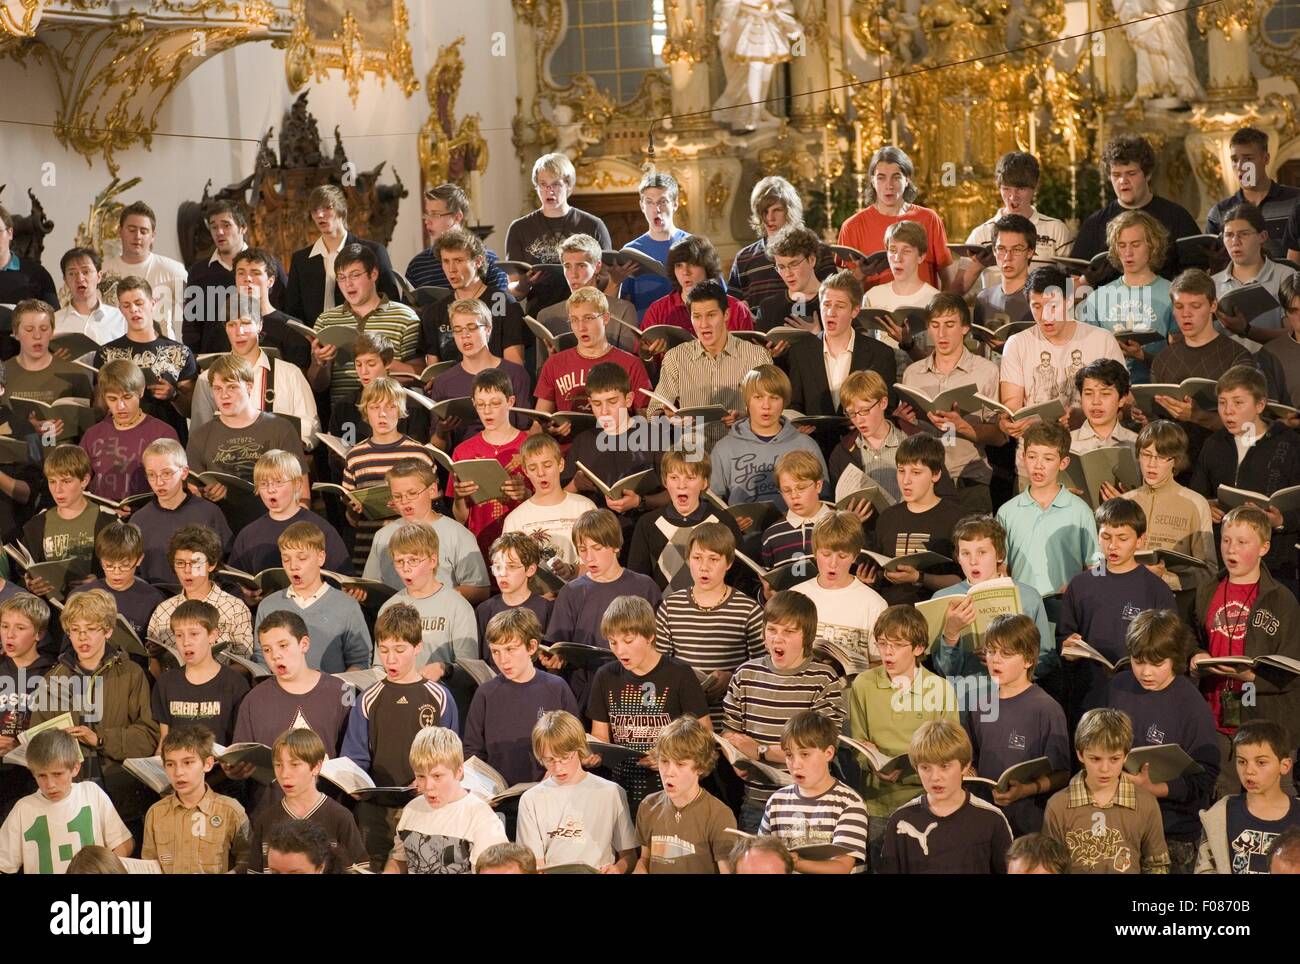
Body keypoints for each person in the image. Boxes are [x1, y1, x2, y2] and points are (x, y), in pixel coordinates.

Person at [1190, 505, 1300, 794]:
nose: (1231, 550)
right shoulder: (1207, 590)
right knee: (1224, 800)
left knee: (1272, 803)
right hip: (1217, 718)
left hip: (1265, 722)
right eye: (1226, 540)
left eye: (1242, 542)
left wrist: (1251, 678)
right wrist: (1195, 654)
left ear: (1264, 547)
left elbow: (1293, 668)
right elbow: (1191, 635)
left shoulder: (1281, 599)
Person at [341, 602, 456, 869]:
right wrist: (355, 784)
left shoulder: (439, 697)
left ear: (417, 648)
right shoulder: (369, 697)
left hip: (426, 802)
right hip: (376, 809)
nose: (390, 659)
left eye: (399, 650)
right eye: (384, 650)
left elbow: (450, 756)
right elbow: (355, 756)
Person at [29, 590, 159, 823]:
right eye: (76, 630)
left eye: (90, 629)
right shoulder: (54, 678)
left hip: (120, 796)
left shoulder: (131, 674)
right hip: (69, 800)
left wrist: (99, 739)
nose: (82, 638)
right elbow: (38, 741)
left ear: (108, 631)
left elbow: (147, 737)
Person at [1106, 610, 1219, 874]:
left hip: (1172, 832)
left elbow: (1205, 778)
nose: (1145, 672)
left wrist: (1156, 789)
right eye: (1138, 661)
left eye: (1157, 664)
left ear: (1175, 659)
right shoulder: (1119, 686)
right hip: (1120, 822)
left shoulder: (1191, 705)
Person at [722, 590, 845, 832]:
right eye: (772, 630)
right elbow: (729, 732)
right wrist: (736, 758)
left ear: (807, 636)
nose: (778, 639)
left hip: (808, 802)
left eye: (789, 632)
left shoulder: (823, 679)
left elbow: (822, 747)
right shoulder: (745, 674)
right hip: (757, 801)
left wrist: (760, 751)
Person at [848, 605, 958, 863]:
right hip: (877, 803)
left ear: (918, 648)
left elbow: (950, 750)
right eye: (882, 643)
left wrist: (911, 767)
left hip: (926, 802)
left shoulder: (939, 689)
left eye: (896, 645)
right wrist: (870, 760)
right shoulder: (864, 684)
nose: (887, 652)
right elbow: (857, 745)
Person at [997, 266, 1126, 475]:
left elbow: (1124, 404)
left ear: (1068, 301)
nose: (1045, 315)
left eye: (1053, 305)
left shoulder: (1102, 340)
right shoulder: (1017, 343)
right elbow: (1012, 404)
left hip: (1090, 456)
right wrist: (1008, 422)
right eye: (1036, 306)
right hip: (1035, 464)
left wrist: (1085, 416)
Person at [588, 595, 711, 813]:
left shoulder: (679, 674)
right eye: (613, 642)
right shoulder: (605, 676)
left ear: (650, 636)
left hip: (669, 790)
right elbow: (600, 738)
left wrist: (668, 755)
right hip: (620, 790)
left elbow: (704, 735)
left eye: (628, 641)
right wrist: (592, 755)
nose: (620, 651)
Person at [1057, 498, 1175, 722]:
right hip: (1090, 694)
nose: (1112, 546)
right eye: (1106, 537)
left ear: (1141, 540)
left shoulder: (1155, 588)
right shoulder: (1081, 585)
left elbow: (1171, 646)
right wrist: (1067, 646)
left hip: (1139, 694)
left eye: (1122, 538)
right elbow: (1064, 635)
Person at [1190, 364, 1300, 586]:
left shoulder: (1290, 444)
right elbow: (1196, 494)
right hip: (1224, 561)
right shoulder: (1214, 443)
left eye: (1238, 402)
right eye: (1222, 403)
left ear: (1260, 404)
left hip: (1276, 565)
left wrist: (1280, 521)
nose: (1228, 411)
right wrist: (1205, 506)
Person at [897, 293, 1004, 513]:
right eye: (935, 325)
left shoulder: (986, 372)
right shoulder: (913, 374)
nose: (942, 334)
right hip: (924, 481)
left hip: (969, 478)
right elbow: (910, 433)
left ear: (965, 327)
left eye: (950, 325)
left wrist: (963, 427)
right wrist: (903, 422)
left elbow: (1000, 437)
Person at [966, 614, 1070, 836]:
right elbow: (972, 758)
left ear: (1028, 659)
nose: (996, 660)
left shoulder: (1046, 709)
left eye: (1006, 653)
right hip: (985, 821)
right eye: (991, 651)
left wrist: (1025, 790)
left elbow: (1062, 774)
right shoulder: (980, 704)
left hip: (1028, 825)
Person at [644, 279, 773, 450]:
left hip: (743, 452)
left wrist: (746, 419)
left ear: (726, 315)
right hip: (695, 457)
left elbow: (773, 408)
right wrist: (670, 419)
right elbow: (653, 412)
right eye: (697, 317)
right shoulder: (676, 357)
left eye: (711, 315)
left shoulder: (756, 356)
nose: (704, 324)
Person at [1043, 707, 1170, 874]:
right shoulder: (1058, 806)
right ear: (1080, 754)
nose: (1105, 769)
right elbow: (1049, 867)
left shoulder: (1146, 803)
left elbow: (1157, 866)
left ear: (1125, 756)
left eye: (1114, 759)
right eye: (1095, 759)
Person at [655, 522, 764, 715]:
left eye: (714, 559)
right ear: (688, 559)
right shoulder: (670, 607)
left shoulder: (748, 610)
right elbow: (660, 667)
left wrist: (731, 678)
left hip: (731, 719)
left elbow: (763, 671)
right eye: (697, 558)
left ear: (728, 563)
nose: (704, 567)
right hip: (684, 720)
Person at [930, 515, 1055, 682]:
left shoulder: (1028, 597)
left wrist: (1006, 658)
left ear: (999, 555)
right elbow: (945, 670)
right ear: (958, 557)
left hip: (1013, 696)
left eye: (982, 552)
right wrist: (951, 634)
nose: (973, 561)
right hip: (966, 696)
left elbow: (1046, 659)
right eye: (965, 553)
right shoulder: (943, 599)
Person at [187, 354, 304, 531]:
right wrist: (205, 493)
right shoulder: (199, 436)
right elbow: (192, 495)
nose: (224, 395)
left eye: (232, 387)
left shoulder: (281, 428)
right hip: (221, 533)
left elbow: (301, 492)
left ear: (249, 386)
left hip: (274, 529)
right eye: (217, 389)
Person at [878, 721, 1014, 874]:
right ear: (916, 768)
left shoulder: (991, 819)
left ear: (965, 766)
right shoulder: (901, 819)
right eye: (925, 767)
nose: (935, 777)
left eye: (945, 766)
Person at [515, 709, 638, 873]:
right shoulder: (531, 799)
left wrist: (617, 869)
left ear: (579, 749)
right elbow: (533, 863)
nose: (558, 768)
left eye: (565, 758)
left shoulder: (611, 792)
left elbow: (629, 856)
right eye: (549, 760)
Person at [189, 299, 320, 451]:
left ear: (260, 325)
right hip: (228, 468)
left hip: (280, 467)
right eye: (232, 325)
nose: (239, 332)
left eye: (245, 323)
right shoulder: (207, 379)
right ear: (226, 329)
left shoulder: (290, 374)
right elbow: (199, 439)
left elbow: (311, 428)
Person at [464, 610, 578, 785]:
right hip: (499, 793)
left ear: (531, 647)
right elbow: (472, 751)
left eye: (510, 649)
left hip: (549, 789)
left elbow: (574, 743)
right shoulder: (485, 693)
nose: (503, 660)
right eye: (496, 651)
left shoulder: (557, 687)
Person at [1147, 269, 1249, 463]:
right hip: (1174, 467)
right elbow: (1157, 425)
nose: (1186, 314)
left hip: (1225, 462)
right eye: (1179, 306)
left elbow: (1248, 424)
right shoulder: (1163, 359)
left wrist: (1198, 416)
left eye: (1195, 306)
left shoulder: (1237, 357)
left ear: (1213, 306)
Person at [1070, 135, 1200, 282]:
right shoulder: (1095, 223)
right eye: (1116, 175)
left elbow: (1196, 274)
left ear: (1148, 174)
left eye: (1131, 173)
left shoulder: (1177, 216)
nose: (1123, 181)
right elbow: (1073, 279)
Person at [0, 730, 131, 874]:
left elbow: (124, 843)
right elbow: (4, 864)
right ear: (32, 773)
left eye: (57, 774)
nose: (50, 785)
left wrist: (105, 870)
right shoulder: (23, 808)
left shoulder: (91, 793)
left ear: (75, 768)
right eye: (42, 776)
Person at [308, 243, 421, 410]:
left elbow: (418, 374)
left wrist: (380, 364)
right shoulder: (326, 321)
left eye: (354, 275)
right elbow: (317, 385)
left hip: (391, 411)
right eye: (341, 277)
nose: (348, 284)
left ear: (373, 274)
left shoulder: (405, 317)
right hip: (345, 414)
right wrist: (320, 363)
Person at [996, 421, 1100, 599]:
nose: (1038, 465)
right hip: (1023, 609)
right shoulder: (1007, 512)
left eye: (1048, 458)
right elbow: (1001, 565)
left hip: (1065, 606)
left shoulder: (1081, 511)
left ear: (1064, 462)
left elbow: (1097, 567)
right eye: (1032, 456)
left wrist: (1082, 589)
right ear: (1023, 456)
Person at [341, 376, 436, 570]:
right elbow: (352, 519)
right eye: (375, 407)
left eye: (390, 406)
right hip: (370, 549)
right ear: (366, 411)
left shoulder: (419, 453)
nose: (382, 414)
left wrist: (405, 505)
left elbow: (434, 507)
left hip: (414, 551)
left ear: (400, 409)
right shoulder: (355, 456)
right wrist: (353, 508)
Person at [384, 725, 509, 873]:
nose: (428, 786)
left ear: (458, 772)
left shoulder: (480, 817)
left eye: (437, 776)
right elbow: (399, 860)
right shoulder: (411, 809)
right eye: (421, 777)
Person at [364, 459, 489, 602]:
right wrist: (362, 593)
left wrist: (433, 598)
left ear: (432, 491)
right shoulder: (383, 536)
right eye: (397, 496)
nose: (405, 501)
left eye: (412, 493)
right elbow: (372, 584)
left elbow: (480, 589)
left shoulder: (457, 534)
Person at [786, 269, 897, 430]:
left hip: (861, 446)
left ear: (855, 311)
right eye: (826, 304)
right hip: (814, 446)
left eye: (840, 306)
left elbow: (887, 407)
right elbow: (794, 404)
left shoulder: (880, 354)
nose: (831, 312)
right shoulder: (800, 353)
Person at [505, 152, 612, 318]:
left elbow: (606, 278)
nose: (549, 191)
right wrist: (524, 284)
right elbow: (513, 292)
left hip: (587, 314)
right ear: (536, 187)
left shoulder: (593, 225)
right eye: (543, 184)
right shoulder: (519, 228)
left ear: (568, 186)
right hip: (540, 316)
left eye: (555, 184)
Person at [760, 710, 868, 874]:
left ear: (828, 753)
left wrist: (794, 863)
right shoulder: (777, 801)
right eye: (789, 755)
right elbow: (762, 854)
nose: (796, 764)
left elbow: (841, 867)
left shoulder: (849, 803)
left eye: (805, 754)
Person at [247, 727, 368, 873]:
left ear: (316, 766)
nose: (285, 774)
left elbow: (357, 869)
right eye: (278, 765)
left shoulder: (340, 817)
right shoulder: (266, 819)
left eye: (295, 765)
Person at [230, 611, 351, 756]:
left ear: (304, 644)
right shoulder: (254, 699)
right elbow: (242, 756)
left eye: (283, 645)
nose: (275, 655)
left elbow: (354, 755)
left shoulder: (341, 690)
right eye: (267, 650)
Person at [254, 522, 371, 673]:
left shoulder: (346, 606)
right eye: (286, 559)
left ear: (320, 558)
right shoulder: (269, 605)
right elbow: (261, 657)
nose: (293, 566)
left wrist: (338, 690)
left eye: (302, 558)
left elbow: (360, 660)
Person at [93, 275, 198, 442]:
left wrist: (173, 395)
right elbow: (98, 409)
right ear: (120, 309)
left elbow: (193, 410)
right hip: (121, 444)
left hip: (167, 444)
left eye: (139, 303)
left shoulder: (179, 352)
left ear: (153, 303)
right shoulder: (107, 354)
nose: (134, 310)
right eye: (126, 305)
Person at [710, 364, 828, 510]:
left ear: (784, 402)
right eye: (758, 397)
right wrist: (730, 522)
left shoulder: (806, 445)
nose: (766, 406)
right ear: (747, 402)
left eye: (774, 398)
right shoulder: (724, 448)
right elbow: (713, 501)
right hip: (745, 531)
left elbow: (824, 497)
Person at [864, 434, 964, 606]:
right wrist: (869, 579)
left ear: (935, 474)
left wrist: (919, 577)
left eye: (916, 473)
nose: (906, 480)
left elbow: (961, 581)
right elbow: (879, 572)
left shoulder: (955, 517)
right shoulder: (888, 517)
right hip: (891, 613)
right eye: (901, 471)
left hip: (934, 610)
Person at [837, 145, 955, 291]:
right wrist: (861, 273)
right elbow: (842, 289)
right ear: (872, 181)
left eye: (896, 177)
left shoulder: (929, 219)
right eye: (881, 178)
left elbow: (947, 277)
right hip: (873, 309)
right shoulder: (852, 226)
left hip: (924, 309)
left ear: (907, 180)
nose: (889, 186)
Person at [1077, 210, 1174, 384]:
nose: (1128, 253)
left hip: (1158, 391)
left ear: (1152, 246)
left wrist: (1143, 355)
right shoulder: (1097, 298)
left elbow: (1182, 356)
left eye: (1136, 245)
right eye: (1121, 245)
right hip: (1109, 394)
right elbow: (1087, 355)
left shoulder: (1172, 294)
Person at [374, 524, 477, 686]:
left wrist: (444, 668)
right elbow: (380, 666)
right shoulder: (389, 607)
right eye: (399, 561)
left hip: (443, 701)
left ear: (433, 560)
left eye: (413, 560)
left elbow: (471, 671)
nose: (406, 569)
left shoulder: (458, 607)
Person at [283, 184, 400, 327]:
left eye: (327, 208)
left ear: (341, 210)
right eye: (315, 210)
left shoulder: (373, 251)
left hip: (364, 339)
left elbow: (391, 302)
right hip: (316, 344)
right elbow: (293, 311)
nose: (320, 215)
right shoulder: (301, 260)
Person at [547, 510, 662, 654]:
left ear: (616, 546)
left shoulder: (645, 587)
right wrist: (555, 658)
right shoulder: (571, 592)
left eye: (597, 548)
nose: (589, 557)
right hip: (585, 675)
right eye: (582, 549)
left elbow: (657, 643)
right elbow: (558, 648)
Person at [957, 151, 1074, 293]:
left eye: (1021, 189)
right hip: (996, 313)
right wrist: (978, 265)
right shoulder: (981, 234)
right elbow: (956, 291)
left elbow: (1072, 284)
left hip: (1043, 312)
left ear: (1035, 187)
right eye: (1006, 189)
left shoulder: (1056, 229)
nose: (1013, 197)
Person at [628, 448, 741, 593]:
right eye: (674, 478)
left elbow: (739, 576)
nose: (682, 485)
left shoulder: (723, 521)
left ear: (704, 482)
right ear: (665, 481)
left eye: (690, 478)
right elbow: (638, 580)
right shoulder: (648, 523)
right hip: (664, 612)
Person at [633, 715, 737, 874]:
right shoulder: (648, 806)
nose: (669, 772)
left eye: (680, 764)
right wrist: (640, 868)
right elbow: (645, 859)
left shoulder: (719, 815)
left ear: (700, 767)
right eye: (664, 761)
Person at [181, 200, 289, 353]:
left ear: (243, 228)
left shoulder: (269, 265)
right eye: (214, 227)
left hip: (266, 354)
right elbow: (191, 326)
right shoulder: (198, 271)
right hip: (215, 357)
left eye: (226, 225)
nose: (219, 232)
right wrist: (195, 362)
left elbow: (285, 310)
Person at [141, 723, 250, 874]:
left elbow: (248, 859)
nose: (178, 772)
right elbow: (148, 866)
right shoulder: (156, 814)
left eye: (188, 763)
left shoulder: (230, 811)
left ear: (208, 763)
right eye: (171, 764)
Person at [428, 298, 533, 452]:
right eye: (457, 330)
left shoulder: (515, 374)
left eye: (472, 328)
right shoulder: (444, 382)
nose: (465, 335)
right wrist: (441, 432)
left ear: (488, 329)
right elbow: (437, 447)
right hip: (464, 461)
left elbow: (527, 430)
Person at [1195, 720, 1300, 874]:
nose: (1249, 770)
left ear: (1284, 765)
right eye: (1242, 762)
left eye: (1261, 762)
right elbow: (1205, 868)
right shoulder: (1221, 814)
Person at [447, 368, 530, 562]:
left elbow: (547, 502)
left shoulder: (528, 446)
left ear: (510, 401)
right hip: (480, 545)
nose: (487, 411)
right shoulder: (463, 451)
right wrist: (460, 496)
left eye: (494, 404)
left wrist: (525, 494)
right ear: (473, 404)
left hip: (522, 545)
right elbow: (460, 517)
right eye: (481, 405)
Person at [1121, 420, 1215, 592]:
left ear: (1176, 461)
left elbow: (1208, 570)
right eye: (1146, 454)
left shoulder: (1196, 503)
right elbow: (1099, 564)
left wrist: (1165, 578)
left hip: (1173, 602)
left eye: (1162, 457)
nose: (1151, 464)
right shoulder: (1123, 503)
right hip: (1124, 597)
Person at [534, 286, 652, 422]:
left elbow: (645, 421)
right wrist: (551, 430)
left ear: (606, 318)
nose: (581, 327)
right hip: (569, 442)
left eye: (588, 318)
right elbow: (540, 421)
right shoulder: (554, 363)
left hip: (616, 441)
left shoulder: (631, 364)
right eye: (574, 320)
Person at [230, 450, 350, 579]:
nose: (271, 490)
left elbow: (342, 578)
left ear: (297, 484)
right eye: (264, 484)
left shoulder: (320, 529)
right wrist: (245, 591)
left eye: (278, 482)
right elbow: (233, 583)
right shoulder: (248, 535)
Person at [420, 226, 525, 368]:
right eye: (446, 261)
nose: (451, 269)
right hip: (451, 388)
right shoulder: (435, 312)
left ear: (478, 261)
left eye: (458, 260)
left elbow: (515, 368)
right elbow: (433, 369)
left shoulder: (503, 303)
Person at [130, 438, 231, 584]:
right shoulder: (138, 520)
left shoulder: (209, 513)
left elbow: (225, 563)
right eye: (151, 475)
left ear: (184, 472)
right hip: (155, 599)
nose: (159, 482)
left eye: (166, 473)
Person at [728, 175, 837, 310]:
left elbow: (835, 298)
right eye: (764, 212)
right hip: (761, 329)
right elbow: (732, 308)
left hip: (809, 328)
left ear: (790, 210)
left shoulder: (816, 249)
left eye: (776, 210)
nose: (769, 218)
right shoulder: (744, 258)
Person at [151, 600, 249, 746]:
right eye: (179, 635)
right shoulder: (166, 683)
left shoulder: (235, 684)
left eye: (194, 634)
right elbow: (164, 742)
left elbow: (240, 744)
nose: (186, 642)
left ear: (212, 635)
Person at [147, 525, 253, 659]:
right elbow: (153, 664)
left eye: (195, 563)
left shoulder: (235, 609)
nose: (187, 570)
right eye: (180, 563)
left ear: (212, 564)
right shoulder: (163, 611)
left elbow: (244, 663)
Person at [793, 511, 887, 659]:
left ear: (855, 557)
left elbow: (881, 663)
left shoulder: (874, 605)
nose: (833, 563)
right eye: (826, 554)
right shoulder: (796, 597)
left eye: (842, 556)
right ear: (815, 552)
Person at [81, 359, 178, 503]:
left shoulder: (162, 433)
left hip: (149, 514)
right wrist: (49, 437)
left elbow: (174, 484)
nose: (120, 406)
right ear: (103, 398)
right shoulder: (92, 435)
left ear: (141, 391)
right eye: (112, 399)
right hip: (102, 516)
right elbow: (78, 481)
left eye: (127, 397)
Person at [21, 444, 114, 593]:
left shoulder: (107, 521)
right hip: (52, 611)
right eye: (52, 481)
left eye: (66, 481)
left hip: (94, 607)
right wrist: (29, 584)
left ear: (84, 480)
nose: (58, 490)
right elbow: (24, 572)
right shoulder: (36, 525)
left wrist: (102, 580)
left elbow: (124, 567)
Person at [502, 433, 596, 576]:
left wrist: (571, 571)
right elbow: (510, 571)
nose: (541, 473)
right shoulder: (515, 520)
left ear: (561, 464)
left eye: (547, 465)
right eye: (533, 468)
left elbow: (600, 562)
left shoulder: (584, 508)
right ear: (526, 472)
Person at [1205, 127, 1300, 261]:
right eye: (1234, 159)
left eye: (1248, 158)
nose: (1240, 166)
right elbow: (1210, 263)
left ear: (1265, 159)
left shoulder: (1296, 201)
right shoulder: (1220, 212)